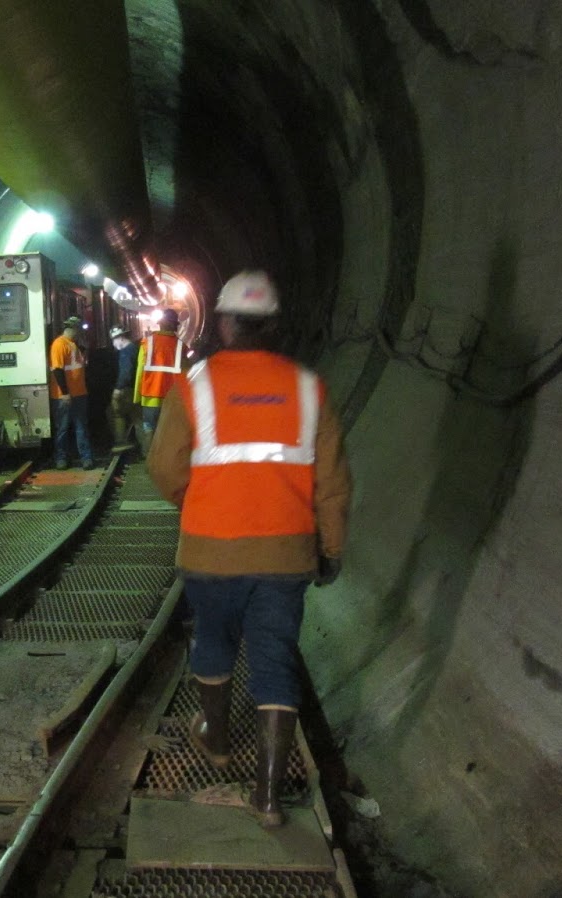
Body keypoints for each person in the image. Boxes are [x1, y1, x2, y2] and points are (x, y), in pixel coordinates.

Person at [147, 270, 350, 828]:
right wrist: (330, 548)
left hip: (210, 554)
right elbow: (332, 484)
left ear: (224, 321)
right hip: (285, 559)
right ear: (276, 325)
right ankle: (266, 797)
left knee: (212, 640)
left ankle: (214, 739)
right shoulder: (310, 390)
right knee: (274, 659)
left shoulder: (195, 385)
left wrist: (196, 500)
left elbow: (164, 468)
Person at [48, 315, 95, 469]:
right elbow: (58, 370)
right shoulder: (59, 344)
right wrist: (65, 392)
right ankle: (61, 458)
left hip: (80, 393)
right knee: (62, 428)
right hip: (64, 396)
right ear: (73, 329)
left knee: (81, 427)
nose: (80, 333)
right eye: (78, 330)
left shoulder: (73, 344)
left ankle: (86, 458)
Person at [134, 308, 186, 445]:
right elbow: (186, 375)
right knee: (171, 433)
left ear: (161, 324)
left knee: (150, 429)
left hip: (150, 397)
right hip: (173, 398)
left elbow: (140, 370)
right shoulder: (181, 346)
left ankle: (150, 461)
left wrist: (136, 397)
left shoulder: (147, 343)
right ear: (175, 326)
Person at [109, 325, 139, 451]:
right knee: (137, 418)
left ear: (120, 338)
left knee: (116, 413)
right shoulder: (135, 348)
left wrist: (118, 389)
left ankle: (121, 442)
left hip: (126, 389)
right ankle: (145, 450)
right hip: (135, 388)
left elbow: (126, 372)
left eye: (114, 340)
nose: (114, 344)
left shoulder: (126, 351)